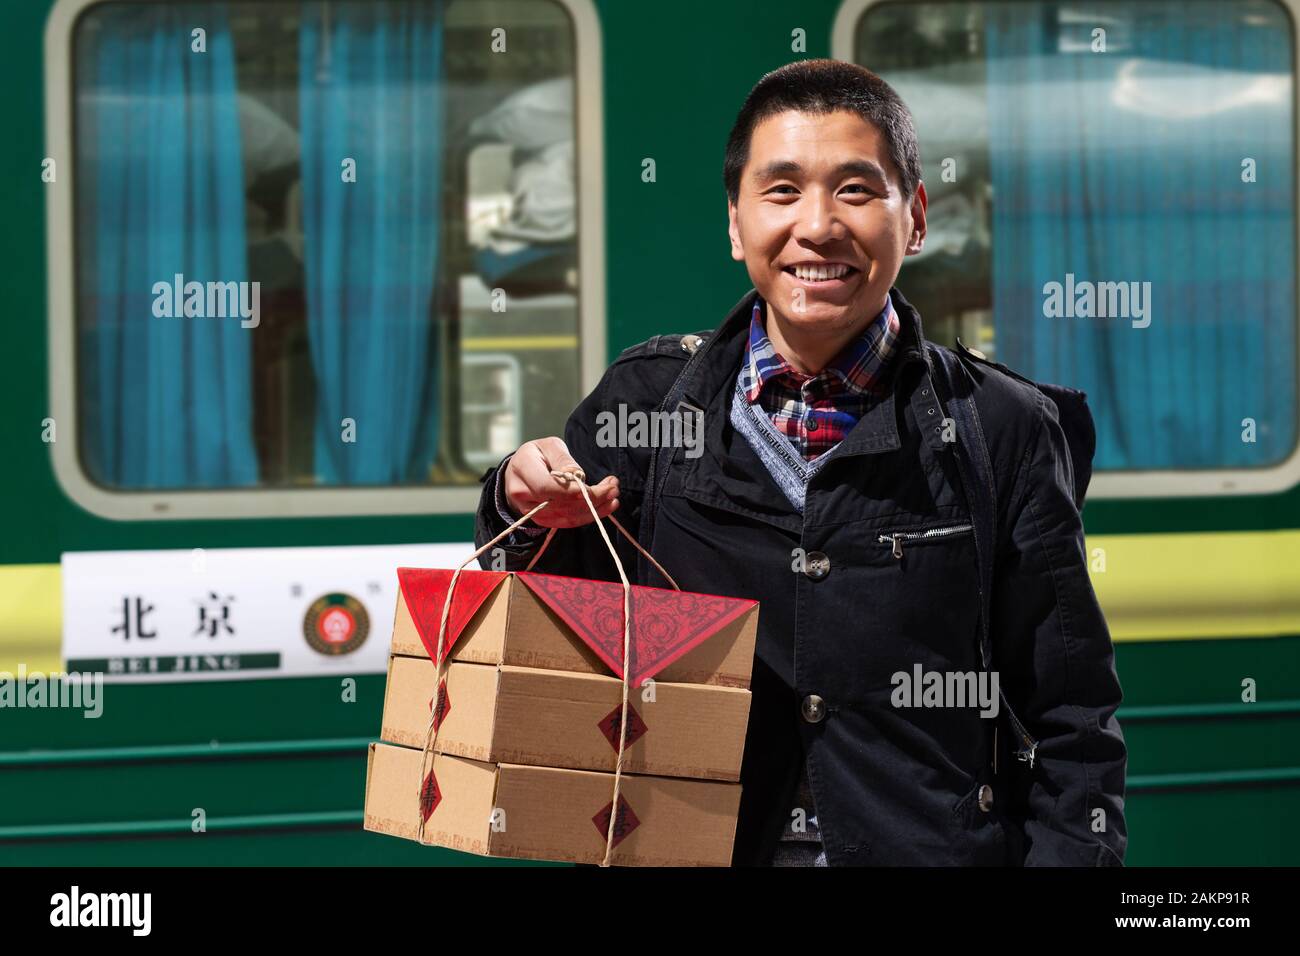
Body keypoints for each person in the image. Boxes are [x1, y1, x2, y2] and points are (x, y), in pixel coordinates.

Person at [474, 59, 1127, 866]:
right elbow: (546, 640)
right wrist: (518, 505)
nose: (817, 226)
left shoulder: (1002, 427)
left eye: (856, 190)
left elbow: (1071, 718)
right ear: (736, 223)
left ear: (914, 217)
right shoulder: (644, 404)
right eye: (781, 191)